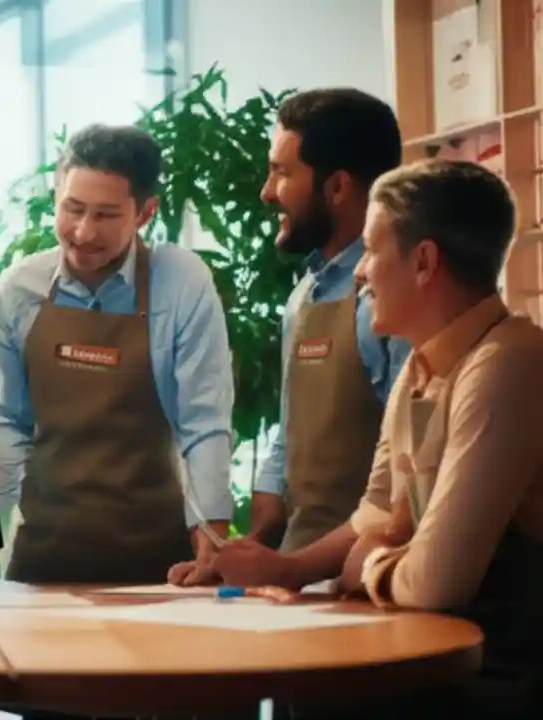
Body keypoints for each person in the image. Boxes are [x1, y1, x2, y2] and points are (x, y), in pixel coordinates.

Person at [331, 160, 540, 718]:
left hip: (505, 682)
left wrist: (371, 564)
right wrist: (295, 569)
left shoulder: (508, 363)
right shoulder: (420, 367)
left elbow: (436, 583)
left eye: (371, 250)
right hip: (447, 664)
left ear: (423, 261)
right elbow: (378, 515)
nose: (359, 272)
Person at [181, 88, 411, 589]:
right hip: (297, 583)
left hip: (366, 585)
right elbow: (289, 438)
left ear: (337, 187)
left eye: (282, 172)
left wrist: (294, 569)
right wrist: (245, 551)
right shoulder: (304, 294)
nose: (266, 191)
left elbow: (407, 486)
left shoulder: (396, 302)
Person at [0, 124, 233, 590]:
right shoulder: (20, 290)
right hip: (42, 561)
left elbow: (202, 422)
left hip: (155, 565)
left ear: (145, 212)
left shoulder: (180, 282)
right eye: (72, 209)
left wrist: (211, 536)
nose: (83, 232)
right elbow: (12, 424)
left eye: (105, 215)